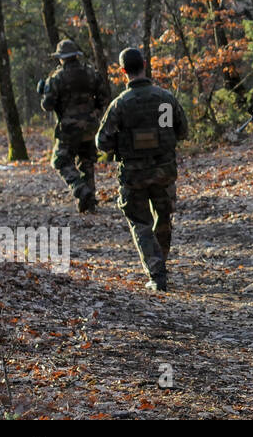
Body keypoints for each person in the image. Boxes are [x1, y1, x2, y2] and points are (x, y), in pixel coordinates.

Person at [96, 48, 188, 293]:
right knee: (163, 218)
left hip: (134, 175)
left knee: (140, 223)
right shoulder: (164, 99)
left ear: (123, 71)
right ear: (145, 65)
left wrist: (123, 145)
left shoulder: (120, 105)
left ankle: (157, 273)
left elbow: (102, 142)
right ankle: (160, 265)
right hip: (163, 172)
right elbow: (180, 131)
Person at [39, 39, 111, 213]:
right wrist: (94, 114)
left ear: (62, 58)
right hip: (91, 126)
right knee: (86, 161)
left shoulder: (56, 78)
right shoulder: (91, 73)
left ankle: (80, 189)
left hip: (69, 128)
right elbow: (104, 97)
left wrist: (43, 92)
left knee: (60, 160)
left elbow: (47, 105)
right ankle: (90, 201)